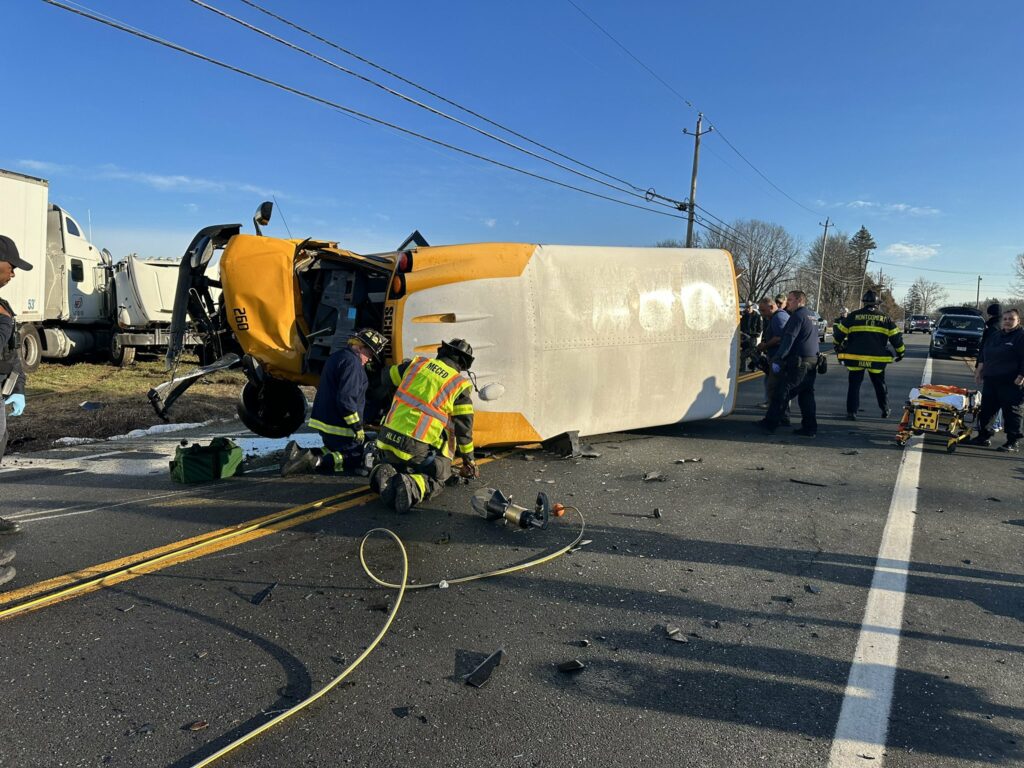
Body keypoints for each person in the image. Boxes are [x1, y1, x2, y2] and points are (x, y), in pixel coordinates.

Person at [369, 338, 477, 513]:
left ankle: (383, 469)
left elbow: (385, 377)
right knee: (441, 475)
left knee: (402, 462)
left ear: (442, 352)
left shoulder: (416, 364)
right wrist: (468, 460)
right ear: (463, 364)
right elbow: (463, 429)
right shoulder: (458, 385)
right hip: (413, 445)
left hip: (386, 438)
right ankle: (412, 487)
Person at [280, 328, 389, 476]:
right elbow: (346, 400)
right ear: (358, 346)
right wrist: (357, 427)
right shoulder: (353, 365)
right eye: (369, 353)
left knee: (335, 448)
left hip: (326, 421)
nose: (369, 359)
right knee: (354, 456)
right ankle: (314, 462)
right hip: (339, 425)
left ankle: (300, 454)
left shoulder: (338, 356)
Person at [0, 234, 33, 587]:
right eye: (11, 266)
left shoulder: (2, 304)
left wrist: (18, 389)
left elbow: (12, 355)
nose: (14, 273)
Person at [833, 290, 905, 420]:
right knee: (879, 385)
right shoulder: (885, 318)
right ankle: (885, 410)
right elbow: (896, 338)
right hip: (877, 360)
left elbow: (839, 334)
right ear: (877, 304)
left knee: (854, 385)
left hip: (855, 358)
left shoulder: (853, 316)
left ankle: (852, 412)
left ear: (864, 302)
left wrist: (837, 346)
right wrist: (901, 353)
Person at [758, 290, 819, 437]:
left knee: (782, 392)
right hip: (813, 361)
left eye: (790, 300)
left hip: (800, 363)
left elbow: (789, 339)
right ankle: (809, 428)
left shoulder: (797, 316)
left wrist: (779, 357)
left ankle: (770, 423)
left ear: (799, 300)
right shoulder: (813, 316)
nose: (787, 303)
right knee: (806, 396)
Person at [969, 308, 1024, 452]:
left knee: (1011, 412)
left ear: (1018, 321)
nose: (1007, 321)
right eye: (1005, 318)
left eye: (1011, 319)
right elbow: (984, 353)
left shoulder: (1021, 336)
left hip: (1011, 381)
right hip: (991, 379)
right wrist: (979, 369)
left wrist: (1021, 376)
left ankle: (1013, 441)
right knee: (987, 410)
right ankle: (983, 437)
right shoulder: (996, 336)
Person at [755, 296, 790, 411]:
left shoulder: (779, 317)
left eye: (763, 310)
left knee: (775, 385)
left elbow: (779, 337)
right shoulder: (778, 316)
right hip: (776, 356)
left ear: (771, 307)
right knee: (770, 382)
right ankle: (775, 406)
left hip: (779, 357)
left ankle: (777, 410)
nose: (761, 313)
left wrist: (765, 345)